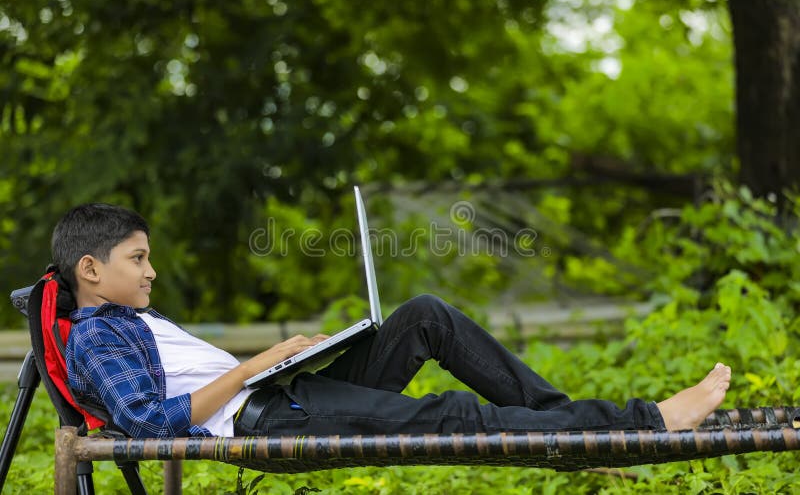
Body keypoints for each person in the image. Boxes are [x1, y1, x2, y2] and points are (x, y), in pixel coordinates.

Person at [54, 203, 731, 439]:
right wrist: (258, 364)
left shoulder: (135, 321)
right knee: (454, 416)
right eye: (137, 259)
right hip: (274, 414)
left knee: (423, 318)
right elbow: (151, 420)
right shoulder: (96, 334)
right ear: (90, 269)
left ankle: (572, 424)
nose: (150, 272)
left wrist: (289, 359)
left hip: (286, 393)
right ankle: (646, 421)